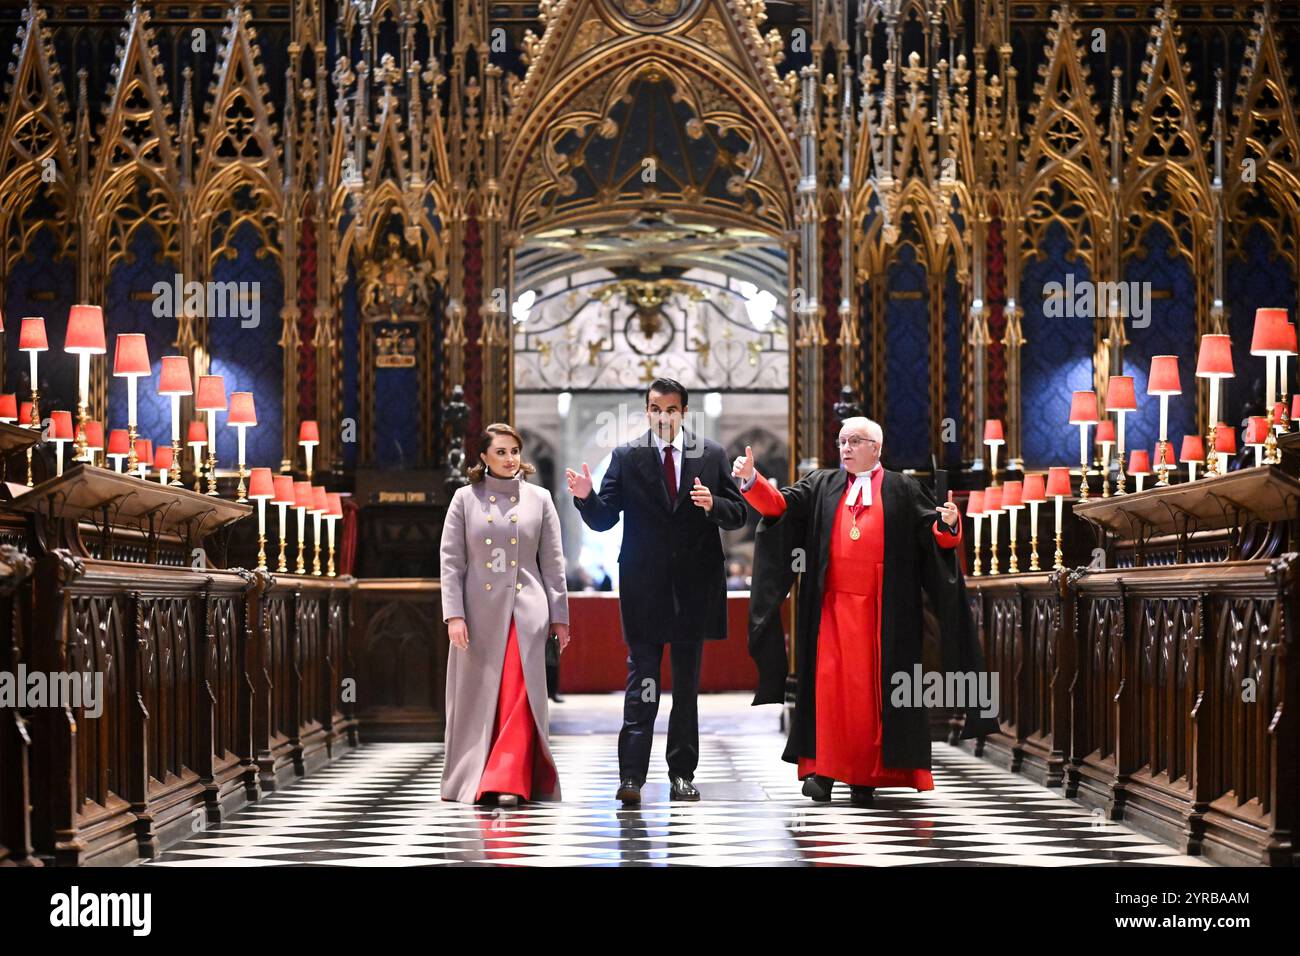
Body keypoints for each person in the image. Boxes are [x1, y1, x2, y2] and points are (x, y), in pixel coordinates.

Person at [735, 416, 997, 806]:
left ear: (876, 447)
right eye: (841, 441)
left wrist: (949, 526)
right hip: (830, 609)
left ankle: (866, 776)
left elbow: (935, 537)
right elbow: (780, 508)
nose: (845, 448)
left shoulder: (902, 488)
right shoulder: (822, 484)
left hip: (884, 614)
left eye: (854, 441)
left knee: (873, 699)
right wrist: (753, 482)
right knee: (829, 693)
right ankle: (824, 773)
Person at [566, 378, 747, 804]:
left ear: (684, 412)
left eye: (670, 409)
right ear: (647, 411)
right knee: (642, 684)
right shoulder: (627, 457)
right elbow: (604, 519)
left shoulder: (712, 454)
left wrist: (713, 506)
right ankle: (632, 777)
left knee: (686, 688)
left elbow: (738, 514)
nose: (662, 416)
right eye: (654, 408)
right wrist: (586, 498)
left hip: (694, 589)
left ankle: (682, 775)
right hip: (644, 588)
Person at [439, 423, 570, 806]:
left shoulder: (540, 499)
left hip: (527, 611)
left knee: (518, 690)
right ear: (482, 457)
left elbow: (553, 563)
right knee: (480, 695)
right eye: (501, 451)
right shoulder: (464, 499)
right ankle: (477, 774)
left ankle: (509, 777)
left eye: (514, 451)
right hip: (478, 615)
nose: (510, 458)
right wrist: (454, 615)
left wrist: (560, 616)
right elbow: (452, 562)